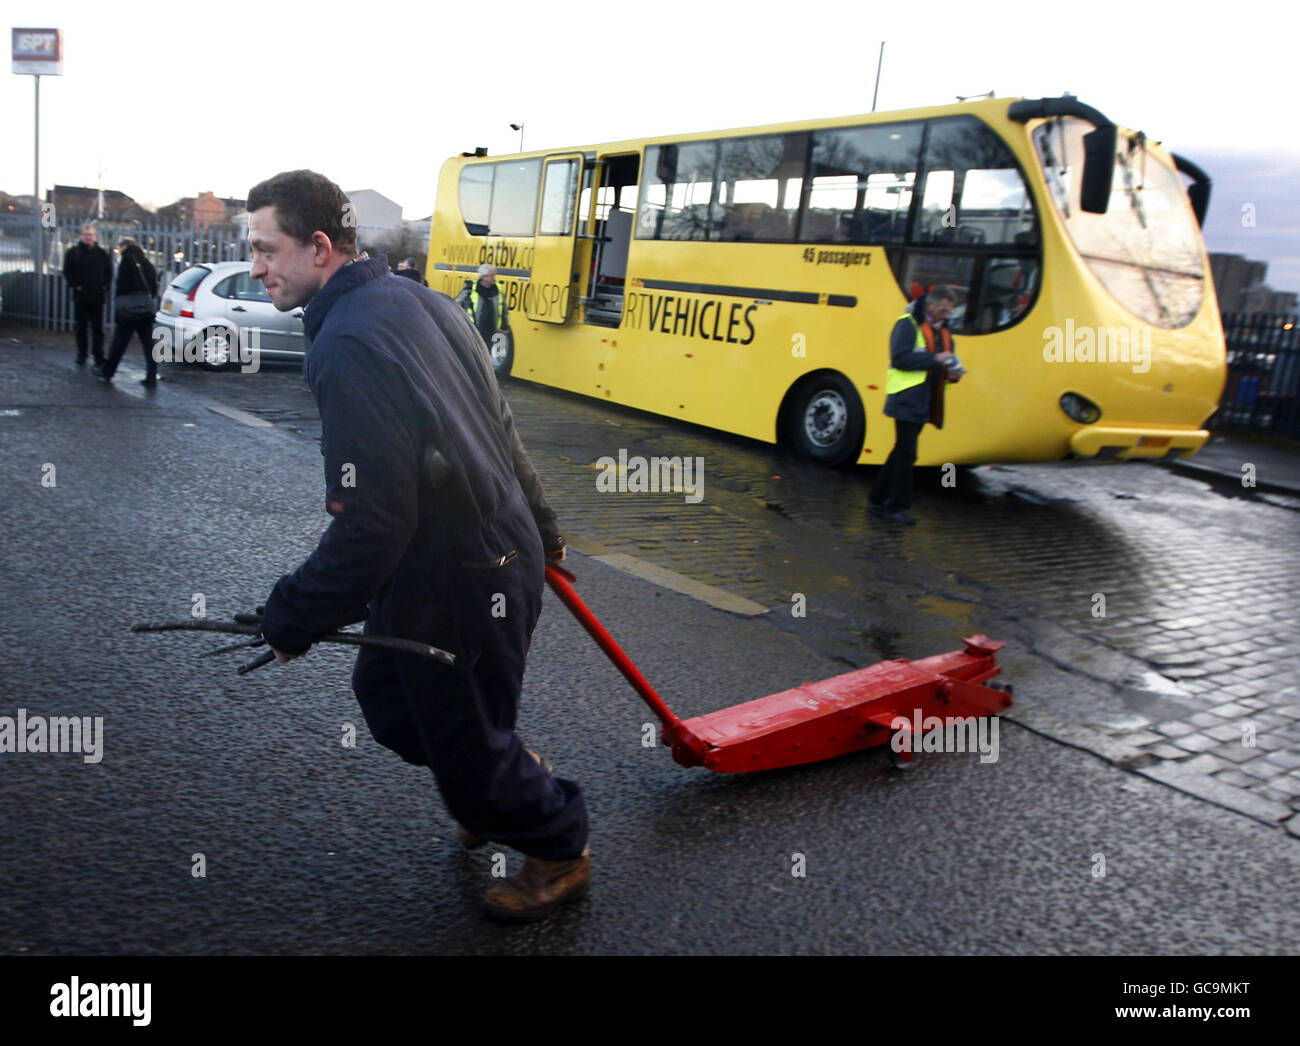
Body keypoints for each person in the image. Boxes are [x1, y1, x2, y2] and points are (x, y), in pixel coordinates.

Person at [246, 170, 589, 922]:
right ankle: (500, 782)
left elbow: (372, 520)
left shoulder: (348, 341)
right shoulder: (418, 298)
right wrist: (546, 527)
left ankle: (558, 842)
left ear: (321, 248)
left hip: (466, 575)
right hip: (456, 560)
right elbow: (501, 426)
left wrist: (292, 617)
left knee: (466, 752)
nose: (255, 266)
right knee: (391, 701)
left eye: (267, 249)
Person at [869, 285, 963, 525]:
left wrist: (954, 373)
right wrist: (934, 359)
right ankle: (896, 507)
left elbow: (945, 362)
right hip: (906, 397)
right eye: (942, 310)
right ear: (930, 306)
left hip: (926, 400)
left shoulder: (943, 331)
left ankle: (878, 496)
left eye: (949, 311)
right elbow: (899, 358)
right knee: (907, 453)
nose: (946, 315)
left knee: (901, 450)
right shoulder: (907, 324)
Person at [96, 237, 159, 387]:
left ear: (124, 246)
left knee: (119, 343)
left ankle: (107, 373)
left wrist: (120, 301)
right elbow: (154, 288)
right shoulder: (147, 262)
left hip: (128, 311)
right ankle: (151, 376)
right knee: (149, 345)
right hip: (145, 310)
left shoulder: (126, 261)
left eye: (120, 248)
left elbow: (122, 285)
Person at [62, 223, 113, 368]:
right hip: (81, 296)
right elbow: (67, 272)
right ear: (82, 236)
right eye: (86, 235)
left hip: (97, 296)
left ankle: (98, 355)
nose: (88, 237)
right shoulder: (73, 253)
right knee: (81, 328)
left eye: (90, 235)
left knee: (98, 329)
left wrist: (104, 287)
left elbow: (109, 272)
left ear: (95, 236)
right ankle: (82, 354)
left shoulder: (102, 253)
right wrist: (76, 286)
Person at [456, 263, 509, 347]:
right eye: (492, 275)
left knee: (486, 353)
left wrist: (505, 326)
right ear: (484, 277)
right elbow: (458, 307)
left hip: (491, 329)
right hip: (473, 330)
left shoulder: (497, 289)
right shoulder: (470, 289)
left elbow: (503, 309)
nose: (494, 278)